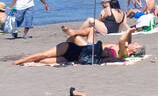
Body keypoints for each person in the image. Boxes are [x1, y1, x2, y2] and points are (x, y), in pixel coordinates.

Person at [15, 25, 145, 65]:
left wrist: (129, 30)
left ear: (134, 51)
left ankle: (72, 34)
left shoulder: (123, 53)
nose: (136, 43)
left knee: (42, 60)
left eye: (137, 46)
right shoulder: (127, 47)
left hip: (79, 55)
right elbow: (127, 40)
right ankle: (19, 61)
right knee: (43, 54)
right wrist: (131, 33)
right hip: (78, 49)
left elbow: (122, 41)